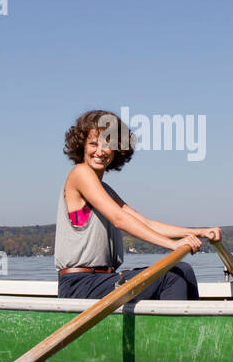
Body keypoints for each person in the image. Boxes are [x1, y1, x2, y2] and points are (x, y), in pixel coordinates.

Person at [55, 109, 220, 300]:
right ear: (82, 146)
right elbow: (119, 219)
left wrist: (198, 232)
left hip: (105, 281)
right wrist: (171, 245)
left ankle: (187, 328)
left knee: (184, 272)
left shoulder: (105, 190)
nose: (100, 151)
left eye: (107, 145)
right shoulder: (80, 173)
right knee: (173, 276)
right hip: (80, 285)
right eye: (93, 144)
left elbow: (145, 223)